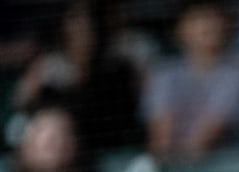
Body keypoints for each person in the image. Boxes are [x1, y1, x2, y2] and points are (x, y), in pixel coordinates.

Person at [12, 0, 143, 152]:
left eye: (90, 18)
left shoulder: (118, 67)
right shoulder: (46, 70)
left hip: (112, 154)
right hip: (62, 155)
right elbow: (22, 111)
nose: (84, 26)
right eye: (75, 18)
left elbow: (129, 122)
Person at [142, 1, 239, 163]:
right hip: (171, 165)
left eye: (214, 19)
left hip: (222, 165)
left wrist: (181, 167)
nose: (208, 26)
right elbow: (161, 135)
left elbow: (209, 134)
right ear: (180, 28)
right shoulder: (164, 74)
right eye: (197, 19)